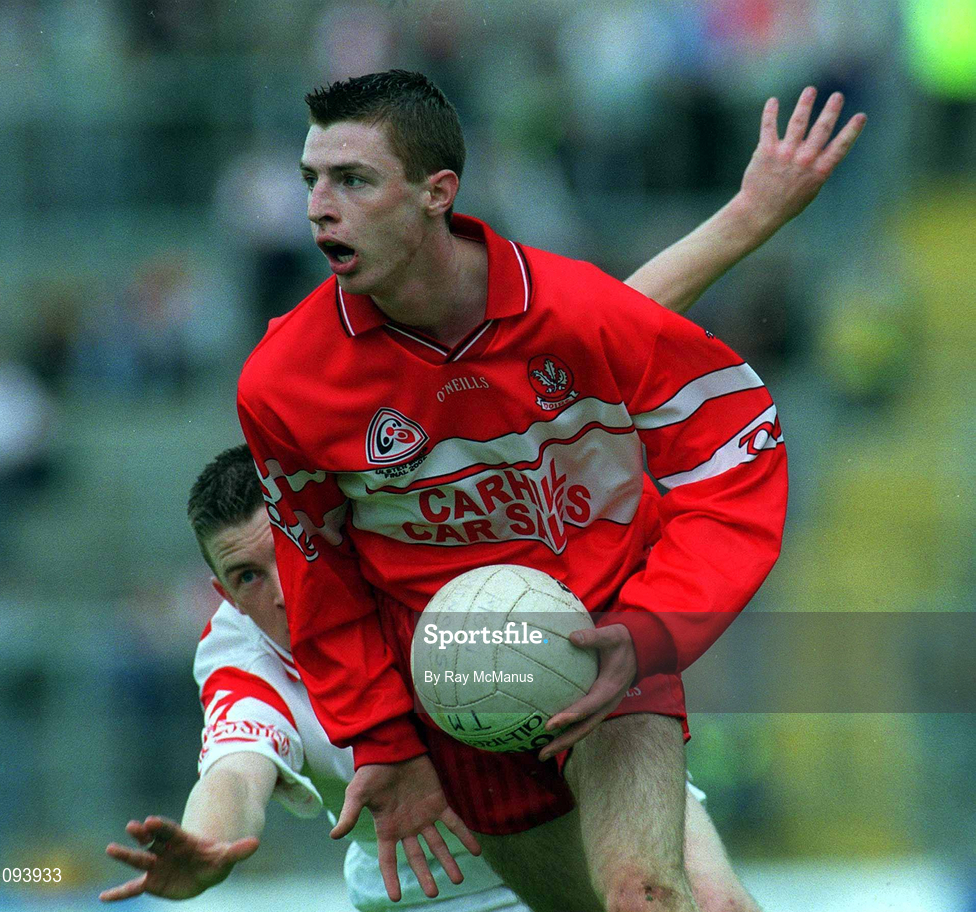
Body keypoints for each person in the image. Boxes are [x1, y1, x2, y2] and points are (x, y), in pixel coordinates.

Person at [102, 82, 864, 911]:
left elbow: (707, 428)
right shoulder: (287, 385)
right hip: (444, 756)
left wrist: (652, 626)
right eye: (309, 181)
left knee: (660, 897)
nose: (318, 208)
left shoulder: (564, 308)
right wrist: (387, 749)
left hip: (603, 653)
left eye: (352, 180)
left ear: (438, 192)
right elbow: (255, 723)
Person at [101, 446, 744, 911]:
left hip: (592, 792)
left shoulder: (414, 538)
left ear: (322, 529)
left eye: (285, 555)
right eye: (247, 577)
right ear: (223, 593)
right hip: (438, 893)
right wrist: (206, 842)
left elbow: (550, 364)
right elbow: (237, 772)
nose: (282, 593)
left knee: (711, 906)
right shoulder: (244, 659)